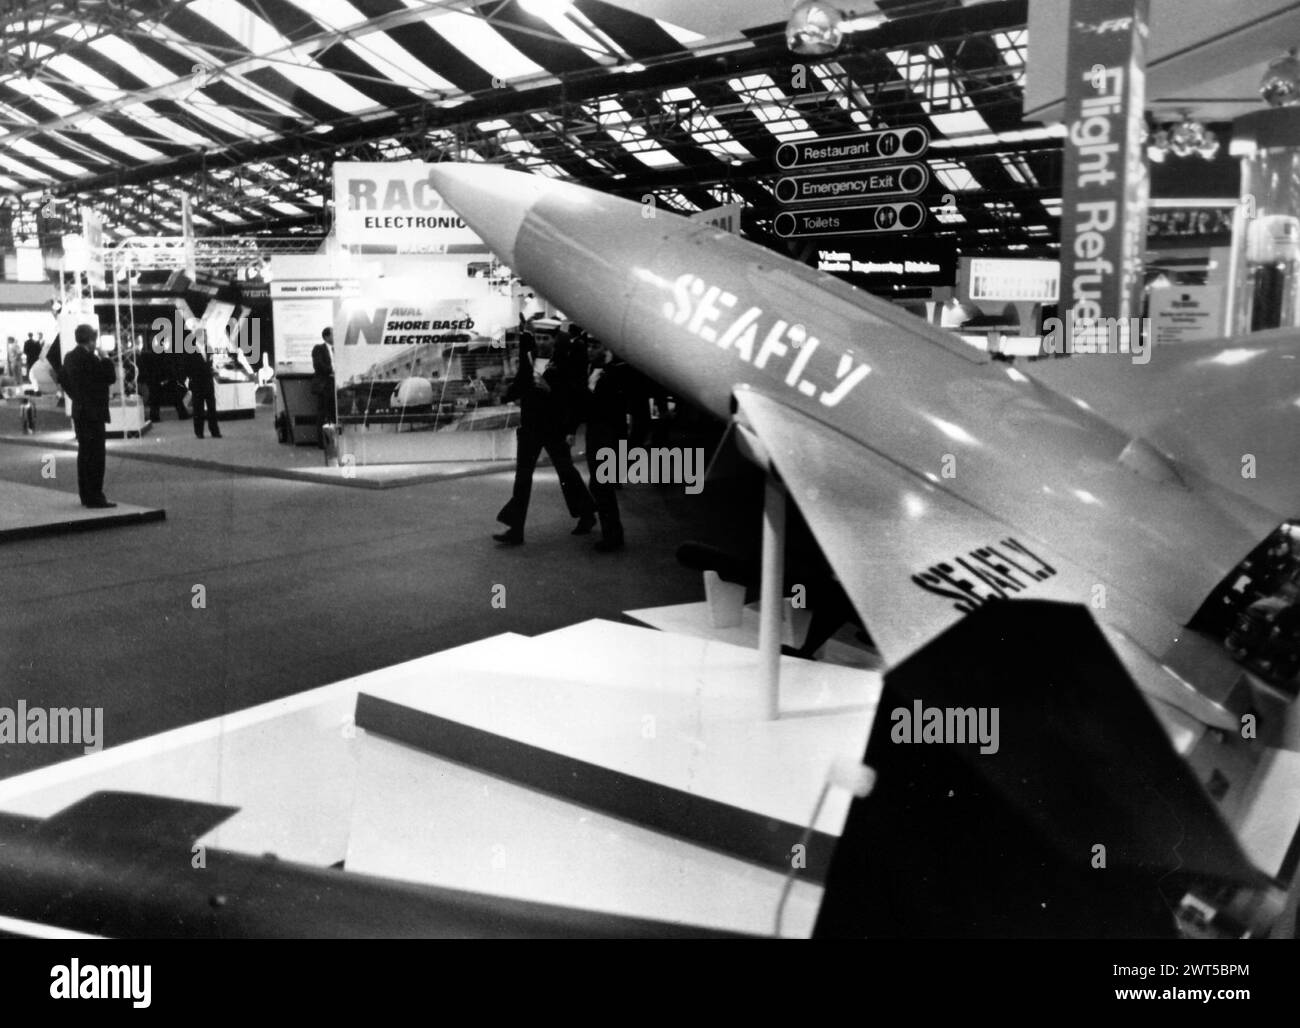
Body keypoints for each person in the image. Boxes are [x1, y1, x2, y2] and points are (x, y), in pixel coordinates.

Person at [493, 331, 595, 545]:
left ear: (553, 340)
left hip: (554, 427)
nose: (541, 342)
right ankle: (516, 529)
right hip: (530, 426)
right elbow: (520, 385)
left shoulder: (563, 361)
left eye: (545, 338)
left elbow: (571, 395)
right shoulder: (529, 359)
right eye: (538, 338)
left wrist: (551, 389)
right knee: (522, 478)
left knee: (566, 472)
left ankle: (587, 514)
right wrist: (504, 393)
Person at [577, 335, 631, 552]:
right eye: (589, 345)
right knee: (599, 485)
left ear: (605, 348)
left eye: (595, 345)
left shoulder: (615, 373)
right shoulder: (591, 370)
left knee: (601, 485)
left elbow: (609, 408)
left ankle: (613, 535)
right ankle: (611, 533)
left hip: (607, 435)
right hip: (595, 433)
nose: (590, 349)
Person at [59, 323, 116, 508]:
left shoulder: (69, 357)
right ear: (91, 340)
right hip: (94, 412)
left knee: (84, 454)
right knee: (97, 456)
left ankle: (85, 495)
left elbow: (62, 378)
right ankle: (96, 496)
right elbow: (110, 377)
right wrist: (106, 357)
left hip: (80, 411)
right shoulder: (91, 359)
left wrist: (76, 396)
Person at [185, 335, 221, 439]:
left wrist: (213, 370)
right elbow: (188, 367)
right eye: (203, 336)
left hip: (208, 383)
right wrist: (192, 378)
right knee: (198, 409)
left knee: (212, 408)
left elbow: (210, 364)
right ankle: (199, 432)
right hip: (197, 383)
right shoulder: (190, 350)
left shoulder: (208, 349)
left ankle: (215, 431)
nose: (205, 338)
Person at [311, 327, 335, 446]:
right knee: (322, 414)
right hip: (324, 385)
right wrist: (333, 370)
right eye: (333, 334)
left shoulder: (337, 349)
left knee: (334, 413)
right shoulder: (318, 349)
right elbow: (319, 365)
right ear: (326, 337)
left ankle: (334, 441)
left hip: (335, 385)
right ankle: (322, 442)